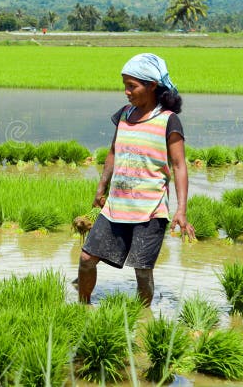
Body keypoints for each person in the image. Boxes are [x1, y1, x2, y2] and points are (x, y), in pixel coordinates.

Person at [78, 53, 195, 306]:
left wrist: (181, 210)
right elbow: (113, 152)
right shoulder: (124, 115)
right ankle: (81, 309)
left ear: (152, 85)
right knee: (87, 259)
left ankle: (143, 320)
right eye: (125, 86)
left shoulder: (168, 120)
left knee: (142, 272)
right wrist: (101, 187)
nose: (127, 92)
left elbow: (179, 166)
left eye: (132, 86)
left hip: (150, 211)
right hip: (116, 207)